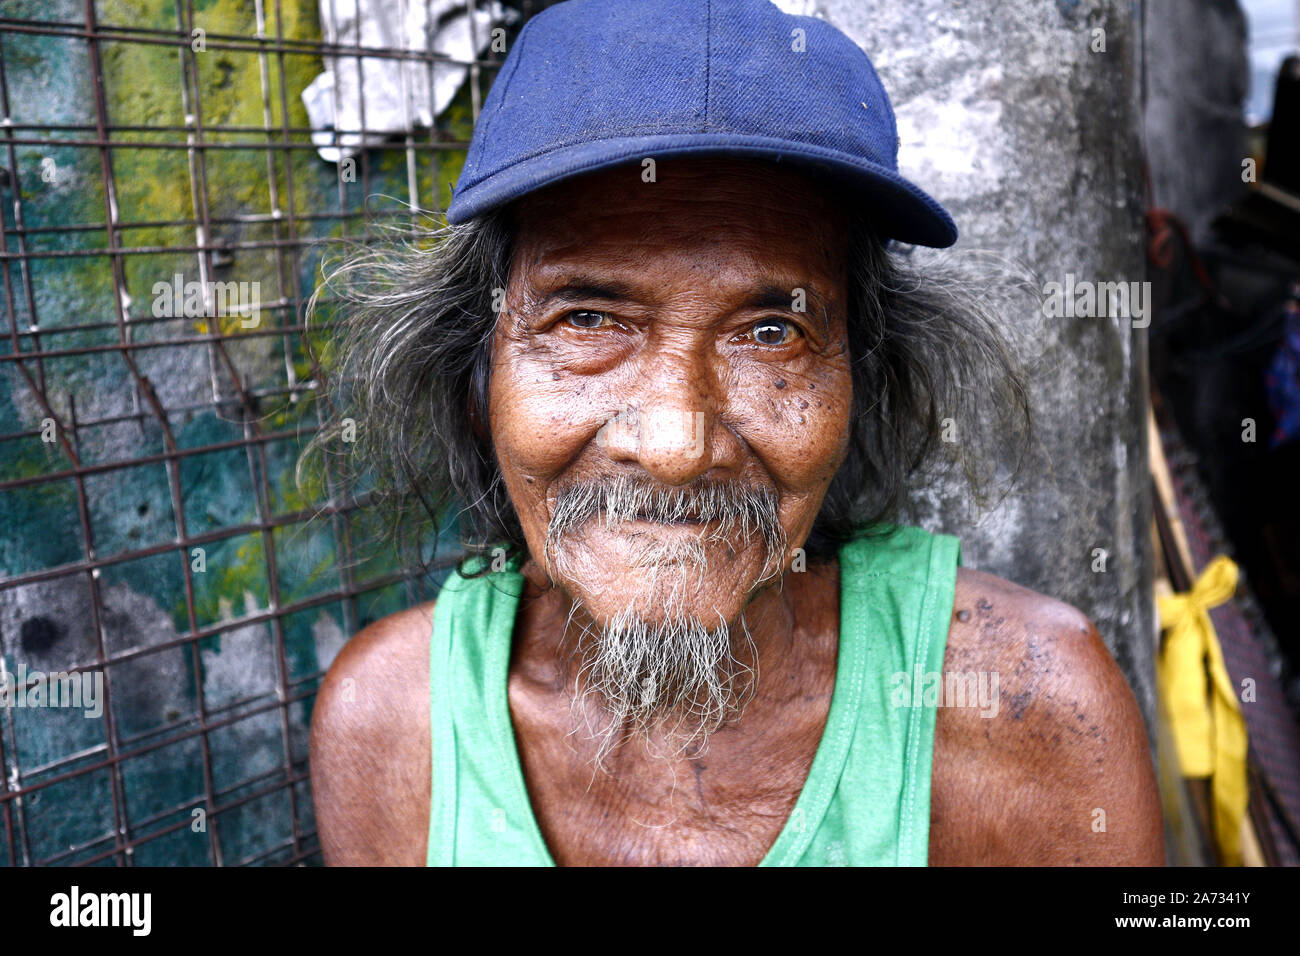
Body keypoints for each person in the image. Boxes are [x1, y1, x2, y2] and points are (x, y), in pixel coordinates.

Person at [307, 0, 1164, 866]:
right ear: (478, 372)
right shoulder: (392, 721)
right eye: (588, 319)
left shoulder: (1029, 707)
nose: (677, 448)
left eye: (771, 333)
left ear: (860, 382)